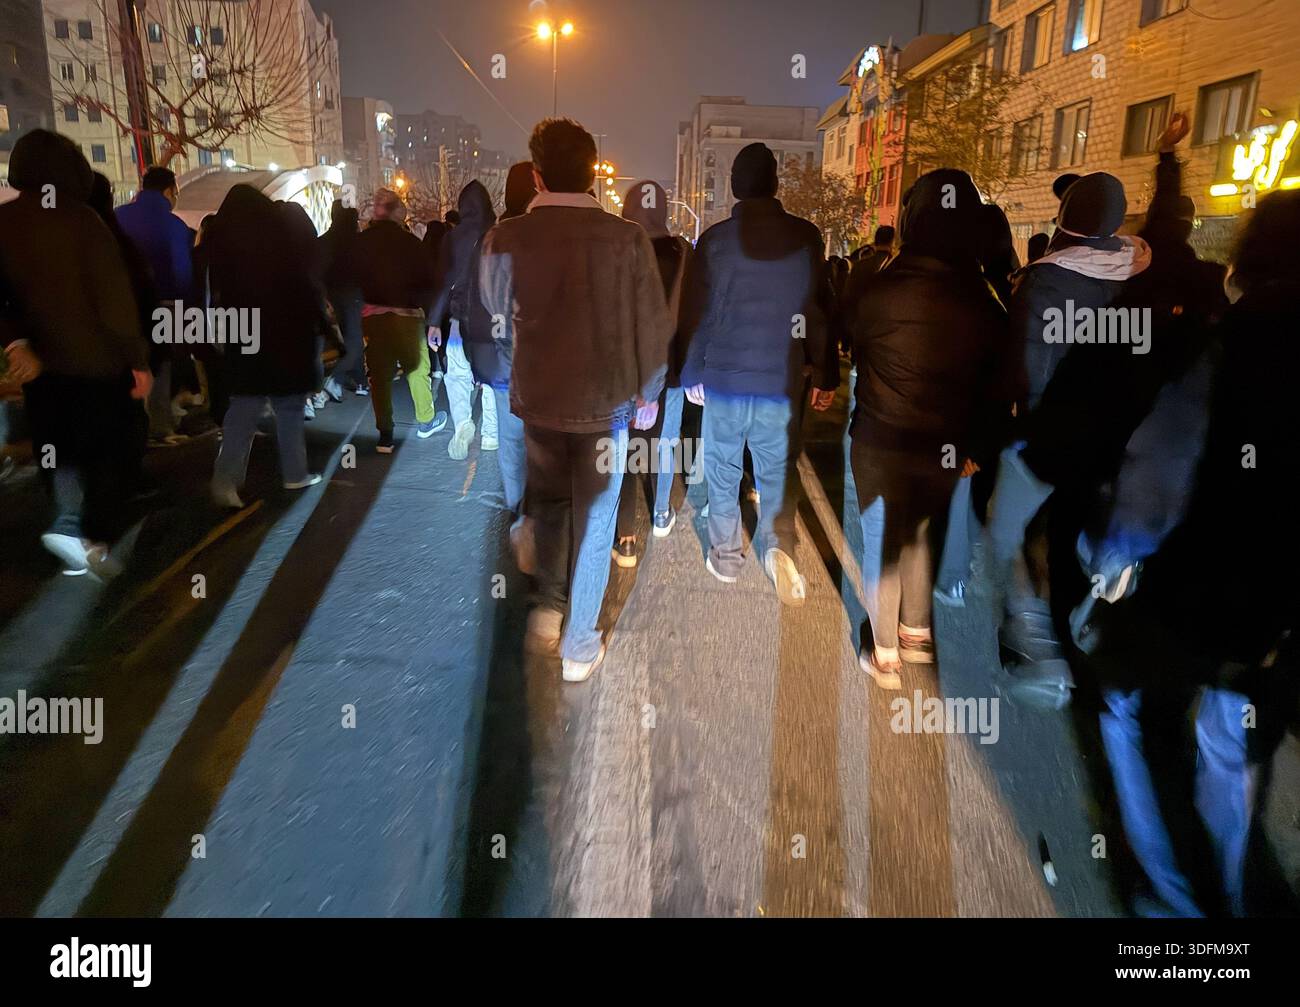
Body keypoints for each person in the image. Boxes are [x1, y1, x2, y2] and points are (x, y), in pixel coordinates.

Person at [1079, 189, 1300, 916]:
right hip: (1278, 617)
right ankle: (1231, 892)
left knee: (1129, 709)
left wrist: (1105, 560)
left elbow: (1154, 490)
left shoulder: (1223, 348)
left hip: (1204, 588)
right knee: (1234, 741)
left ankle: (1177, 908)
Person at [480, 118, 672, 682]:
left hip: (538, 400)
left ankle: (547, 608)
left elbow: (498, 323)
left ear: (537, 175)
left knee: (550, 506)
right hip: (604, 403)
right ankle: (580, 644)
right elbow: (651, 329)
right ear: (593, 173)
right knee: (595, 518)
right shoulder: (627, 239)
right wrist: (648, 391)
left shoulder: (504, 238)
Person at [985, 171, 1152, 703]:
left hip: (1049, 431)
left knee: (1008, 526)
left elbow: (1025, 370)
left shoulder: (1045, 280)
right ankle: (1103, 573)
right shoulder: (1140, 270)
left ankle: (1033, 637)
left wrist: (1014, 421)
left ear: (1063, 219)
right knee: (1069, 526)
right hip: (1116, 436)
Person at [849, 170, 1012, 686]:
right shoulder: (985, 301)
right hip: (945, 444)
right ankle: (917, 633)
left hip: (881, 435)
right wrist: (979, 447)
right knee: (921, 530)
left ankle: (885, 653)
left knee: (883, 537)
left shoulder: (880, 287)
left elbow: (853, 341)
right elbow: (1001, 385)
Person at [678, 141, 838, 606]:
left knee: (724, 467)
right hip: (780, 378)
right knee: (776, 466)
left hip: (725, 375)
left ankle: (726, 556)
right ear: (775, 184)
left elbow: (697, 313)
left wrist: (691, 372)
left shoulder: (714, 240)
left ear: (734, 186)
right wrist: (826, 373)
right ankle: (777, 547)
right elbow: (818, 311)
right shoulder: (807, 237)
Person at [0, 130, 151, 575]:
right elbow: (113, 299)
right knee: (108, 449)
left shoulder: (4, 223)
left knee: (59, 448)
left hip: (41, 366)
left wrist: (16, 342)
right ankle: (91, 538)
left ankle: (69, 527)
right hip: (96, 361)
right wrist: (137, 359)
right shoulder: (82, 220)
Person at [204, 186, 333, 507]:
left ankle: (226, 480)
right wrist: (321, 324)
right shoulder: (281, 240)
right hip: (286, 337)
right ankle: (294, 473)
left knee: (243, 409)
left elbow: (215, 296)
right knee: (289, 409)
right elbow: (305, 288)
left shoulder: (220, 243)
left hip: (244, 337)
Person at [612, 179, 691, 567]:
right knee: (665, 442)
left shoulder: (620, 249)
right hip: (671, 367)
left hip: (627, 366)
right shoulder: (682, 252)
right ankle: (660, 513)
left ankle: (625, 535)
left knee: (624, 448)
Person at [349, 188, 445, 453]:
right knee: (417, 369)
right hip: (407, 316)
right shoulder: (410, 243)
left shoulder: (361, 242)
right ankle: (426, 420)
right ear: (398, 213)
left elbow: (352, 277)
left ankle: (385, 435)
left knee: (379, 375)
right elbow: (428, 281)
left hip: (373, 315)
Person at [116, 165, 195, 445]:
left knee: (130, 364)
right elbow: (182, 273)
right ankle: (160, 427)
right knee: (160, 364)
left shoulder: (117, 217)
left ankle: (129, 425)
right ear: (168, 191)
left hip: (122, 303)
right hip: (165, 304)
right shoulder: (174, 226)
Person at [430, 181, 498, 459]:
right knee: (492, 379)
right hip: (492, 321)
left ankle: (462, 424)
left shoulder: (453, 237)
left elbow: (444, 282)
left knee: (457, 375)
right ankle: (491, 434)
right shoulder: (498, 233)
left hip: (459, 318)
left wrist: (434, 321)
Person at [319, 201, 367, 401]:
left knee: (350, 337)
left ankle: (360, 381)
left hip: (334, 296)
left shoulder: (323, 241)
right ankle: (335, 379)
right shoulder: (356, 241)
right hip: (353, 294)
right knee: (355, 342)